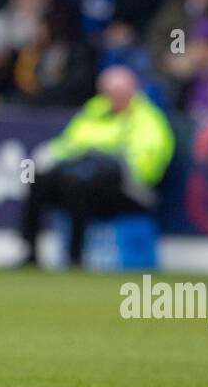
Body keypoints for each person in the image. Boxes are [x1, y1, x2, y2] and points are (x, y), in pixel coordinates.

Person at [17, 66, 174, 267]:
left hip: (128, 189)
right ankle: (30, 253)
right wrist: (46, 156)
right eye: (109, 93)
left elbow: (147, 165)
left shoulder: (147, 119)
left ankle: (75, 257)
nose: (114, 98)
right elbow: (67, 144)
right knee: (38, 180)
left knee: (80, 183)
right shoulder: (93, 111)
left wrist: (103, 163)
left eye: (120, 93)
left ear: (132, 92)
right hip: (80, 180)